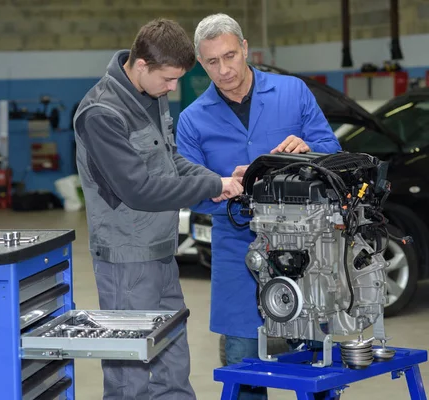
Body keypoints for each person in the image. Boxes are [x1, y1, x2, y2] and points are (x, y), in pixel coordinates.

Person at [72, 18, 243, 400]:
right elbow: (140, 190)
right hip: (126, 262)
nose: (173, 88)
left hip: (161, 252)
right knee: (129, 374)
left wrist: (220, 180)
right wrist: (212, 185)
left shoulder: (151, 94)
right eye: (168, 79)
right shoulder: (101, 114)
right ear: (142, 65)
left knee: (172, 360)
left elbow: (171, 161)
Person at [175, 13, 342, 400]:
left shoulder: (293, 92)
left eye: (230, 56)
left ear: (246, 48)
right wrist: (221, 188)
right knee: (243, 358)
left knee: (319, 355)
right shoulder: (192, 120)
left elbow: (333, 153)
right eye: (212, 62)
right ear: (201, 63)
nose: (224, 69)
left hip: (305, 246)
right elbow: (188, 191)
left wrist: (310, 152)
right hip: (237, 250)